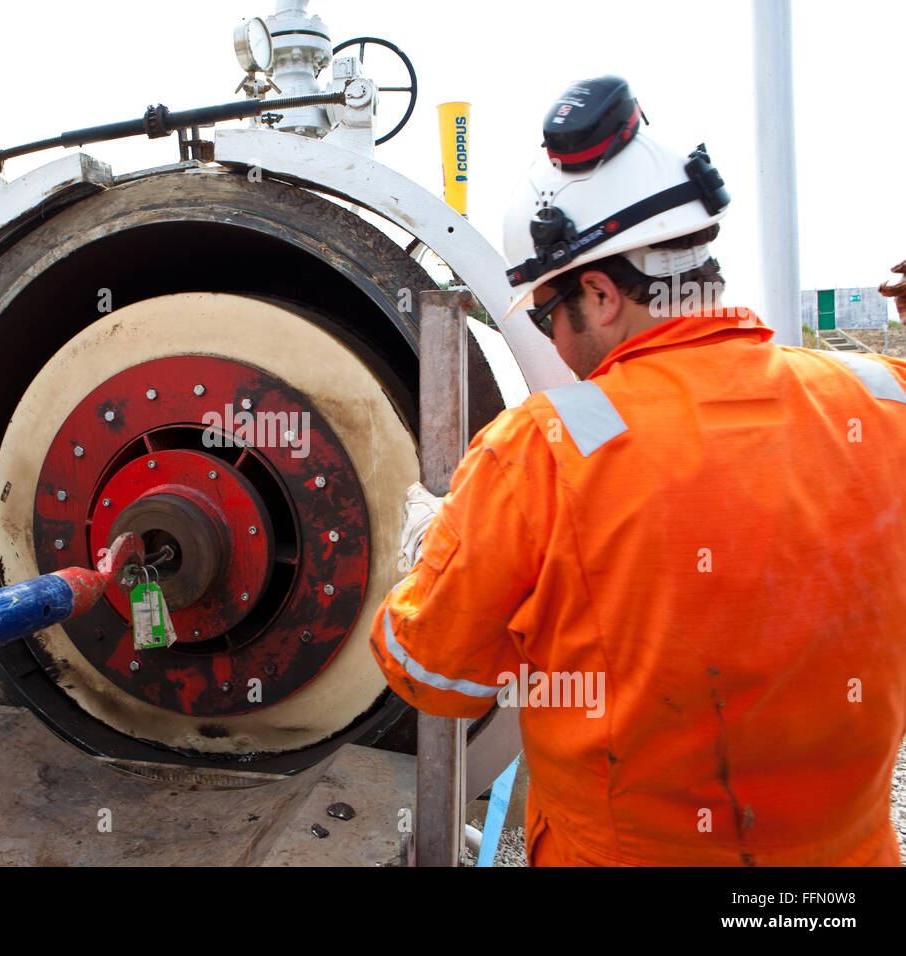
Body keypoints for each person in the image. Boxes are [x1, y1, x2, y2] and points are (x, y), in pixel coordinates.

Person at [370, 76, 906, 866]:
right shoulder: (880, 399)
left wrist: (428, 552)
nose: (552, 342)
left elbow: (433, 674)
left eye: (548, 314)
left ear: (599, 292)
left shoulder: (545, 452)